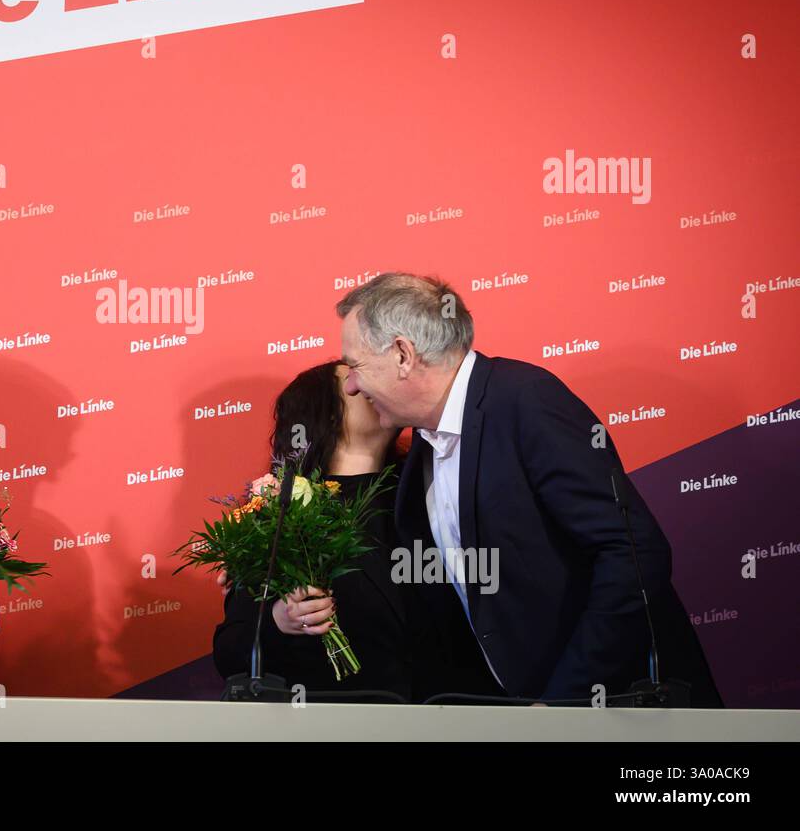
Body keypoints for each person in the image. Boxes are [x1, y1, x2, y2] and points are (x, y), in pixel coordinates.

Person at [336, 272, 722, 705]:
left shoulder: (525, 401)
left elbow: (633, 553)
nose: (350, 384)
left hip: (618, 709)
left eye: (355, 365)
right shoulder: (423, 449)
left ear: (403, 354)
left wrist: (563, 703)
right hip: (521, 714)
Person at [213, 361, 429, 700]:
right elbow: (230, 651)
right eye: (353, 379)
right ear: (326, 413)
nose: (370, 383)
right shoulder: (276, 512)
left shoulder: (430, 488)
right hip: (331, 717)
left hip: (444, 714)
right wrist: (278, 622)